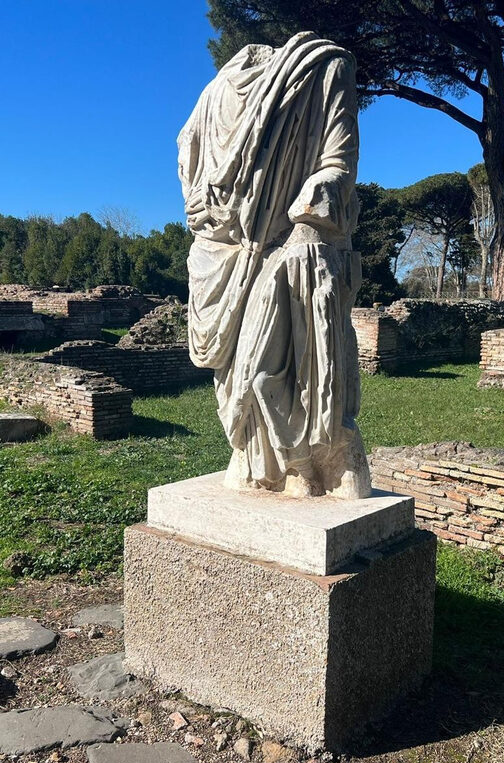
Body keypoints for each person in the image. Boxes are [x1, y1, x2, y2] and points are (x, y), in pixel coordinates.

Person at [178, 31, 371, 499]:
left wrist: (308, 216)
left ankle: (311, 463)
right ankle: (264, 464)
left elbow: (337, 163)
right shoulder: (213, 96)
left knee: (264, 369)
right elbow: (191, 172)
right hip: (219, 254)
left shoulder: (321, 69)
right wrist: (216, 215)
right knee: (241, 383)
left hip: (287, 250)